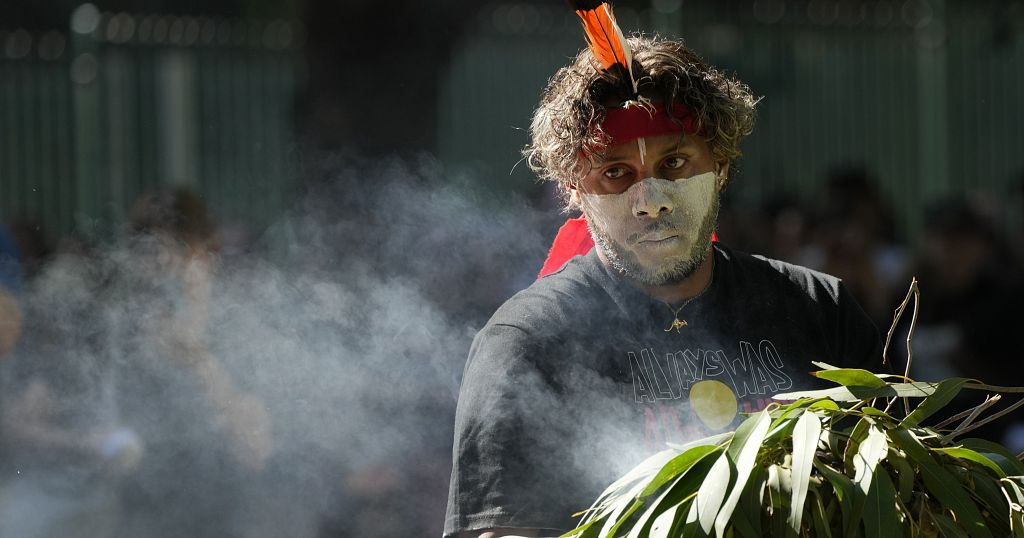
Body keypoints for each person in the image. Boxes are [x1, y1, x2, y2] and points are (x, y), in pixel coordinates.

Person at [443, 10, 881, 538]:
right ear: (574, 192)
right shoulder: (528, 343)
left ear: (719, 165)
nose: (649, 201)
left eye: (673, 164)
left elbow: (898, 501)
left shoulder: (817, 309)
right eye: (615, 172)